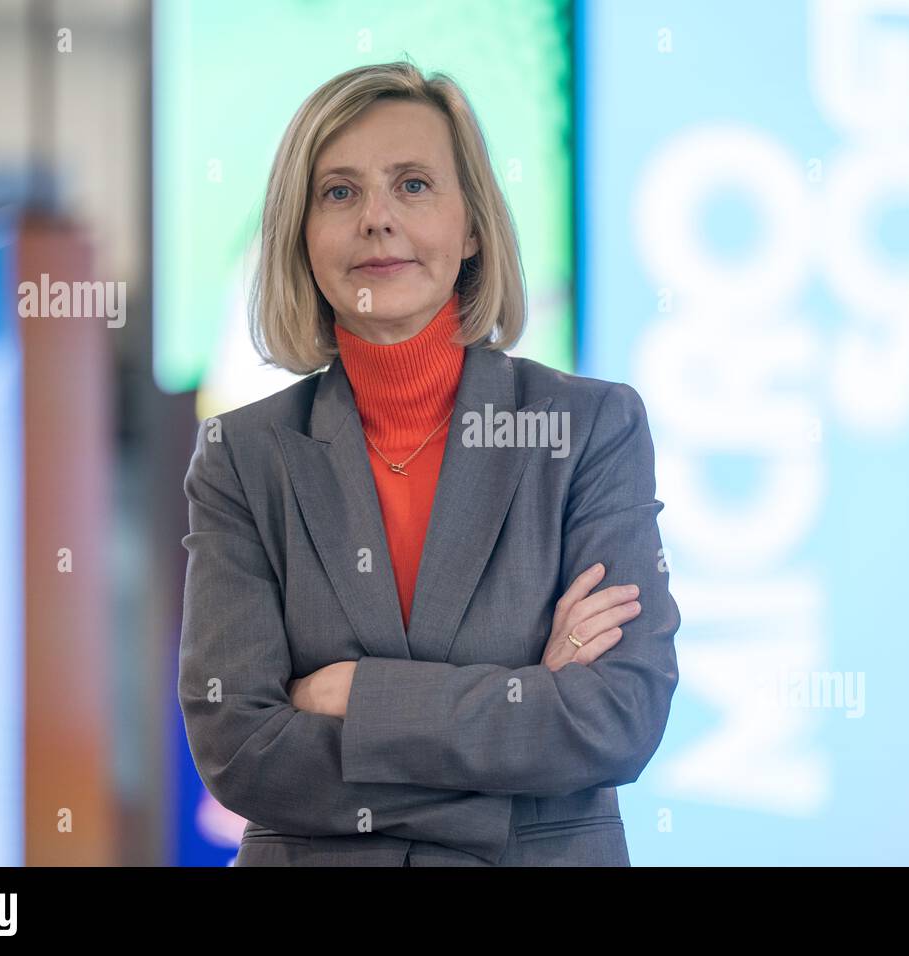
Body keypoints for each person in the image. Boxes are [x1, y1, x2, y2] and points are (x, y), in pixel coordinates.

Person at [178, 60, 680, 866]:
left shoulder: (589, 429)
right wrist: (515, 747)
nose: (377, 218)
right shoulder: (241, 460)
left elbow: (615, 718)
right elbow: (241, 749)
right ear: (301, 236)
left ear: (472, 225)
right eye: (339, 192)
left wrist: (358, 699)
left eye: (413, 185)